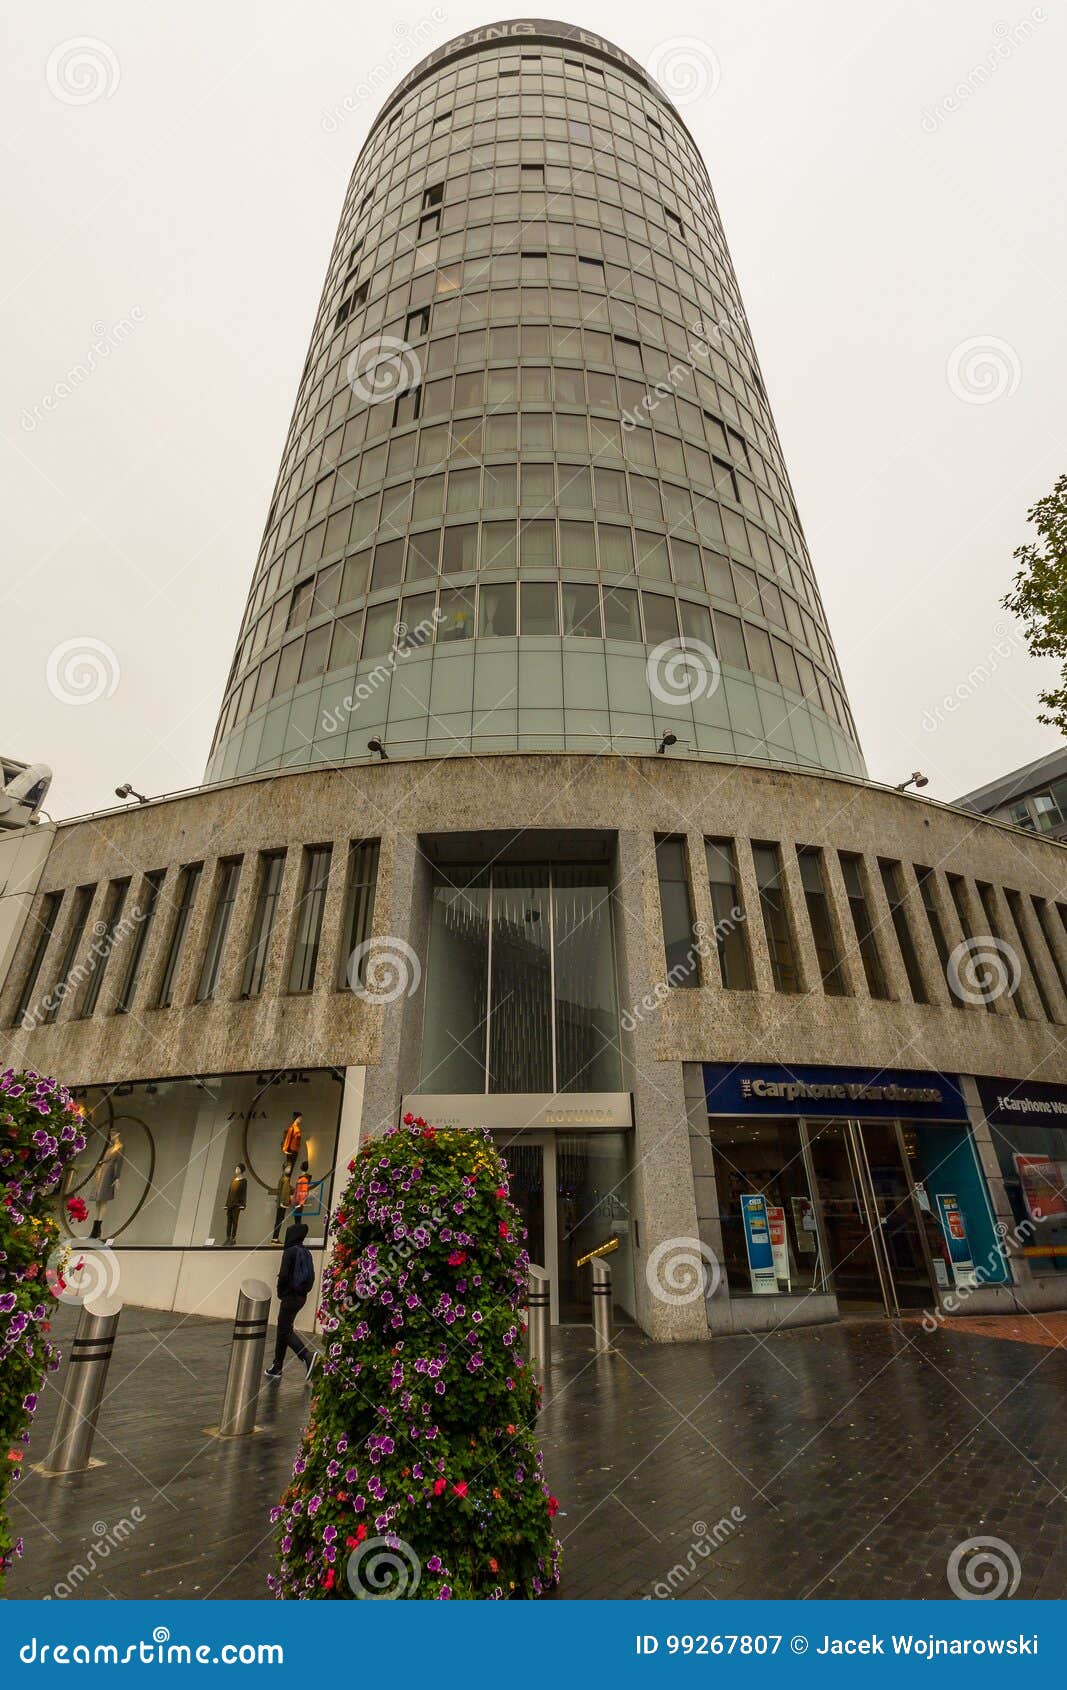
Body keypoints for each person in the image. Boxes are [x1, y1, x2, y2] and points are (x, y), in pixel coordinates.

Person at [264, 1220, 318, 1382]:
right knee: (284, 1329)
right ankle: (277, 1366)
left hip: (289, 1297)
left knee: (284, 1330)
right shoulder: (305, 1252)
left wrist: (281, 1293)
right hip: (301, 1296)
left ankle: (306, 1356)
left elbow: (284, 1275)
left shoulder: (289, 1252)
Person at [223, 1162, 247, 1246]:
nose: (236, 1170)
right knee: (229, 1222)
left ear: (241, 1170)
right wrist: (226, 1204)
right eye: (236, 1168)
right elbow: (229, 1193)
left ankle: (233, 1238)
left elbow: (244, 1193)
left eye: (238, 1168)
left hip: (237, 1205)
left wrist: (243, 1204)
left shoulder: (243, 1181)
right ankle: (227, 1238)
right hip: (230, 1204)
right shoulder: (233, 1180)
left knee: (235, 1222)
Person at [271, 1164, 292, 1243]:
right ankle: (275, 1238)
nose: (289, 1169)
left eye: (290, 1167)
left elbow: (287, 1189)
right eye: (288, 1167)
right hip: (282, 1204)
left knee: (279, 1220)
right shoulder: (285, 1179)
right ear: (284, 1168)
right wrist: (283, 1202)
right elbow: (284, 1191)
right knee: (279, 1220)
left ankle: (275, 1238)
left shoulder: (283, 1179)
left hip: (281, 1203)